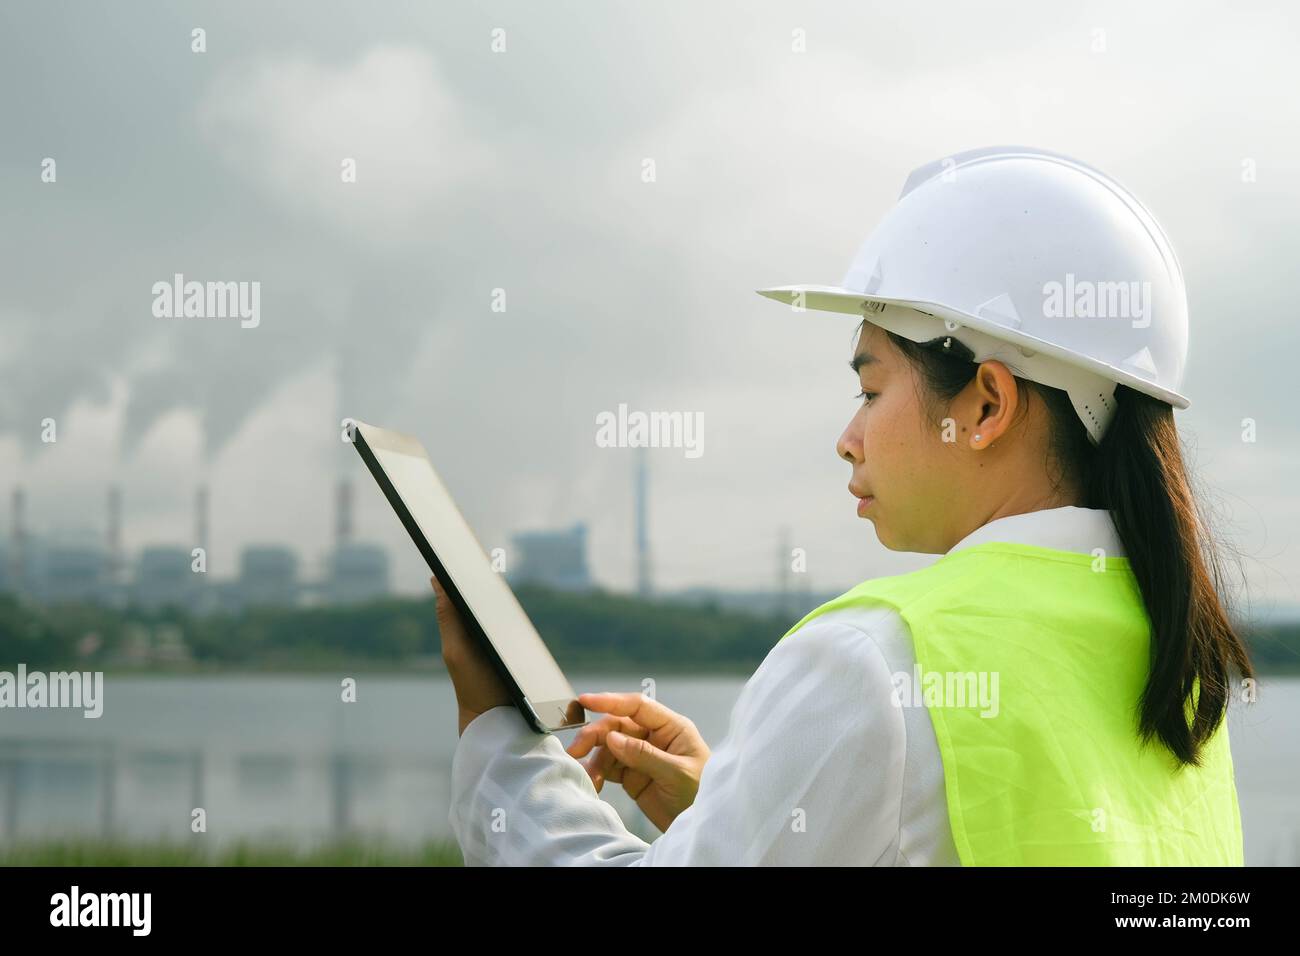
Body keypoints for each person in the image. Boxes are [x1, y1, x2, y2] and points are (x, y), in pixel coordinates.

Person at [437, 146, 1254, 866]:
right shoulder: (1180, 665)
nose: (848, 437)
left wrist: (498, 740)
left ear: (985, 405)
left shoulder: (873, 660)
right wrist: (739, 812)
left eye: (869, 388)